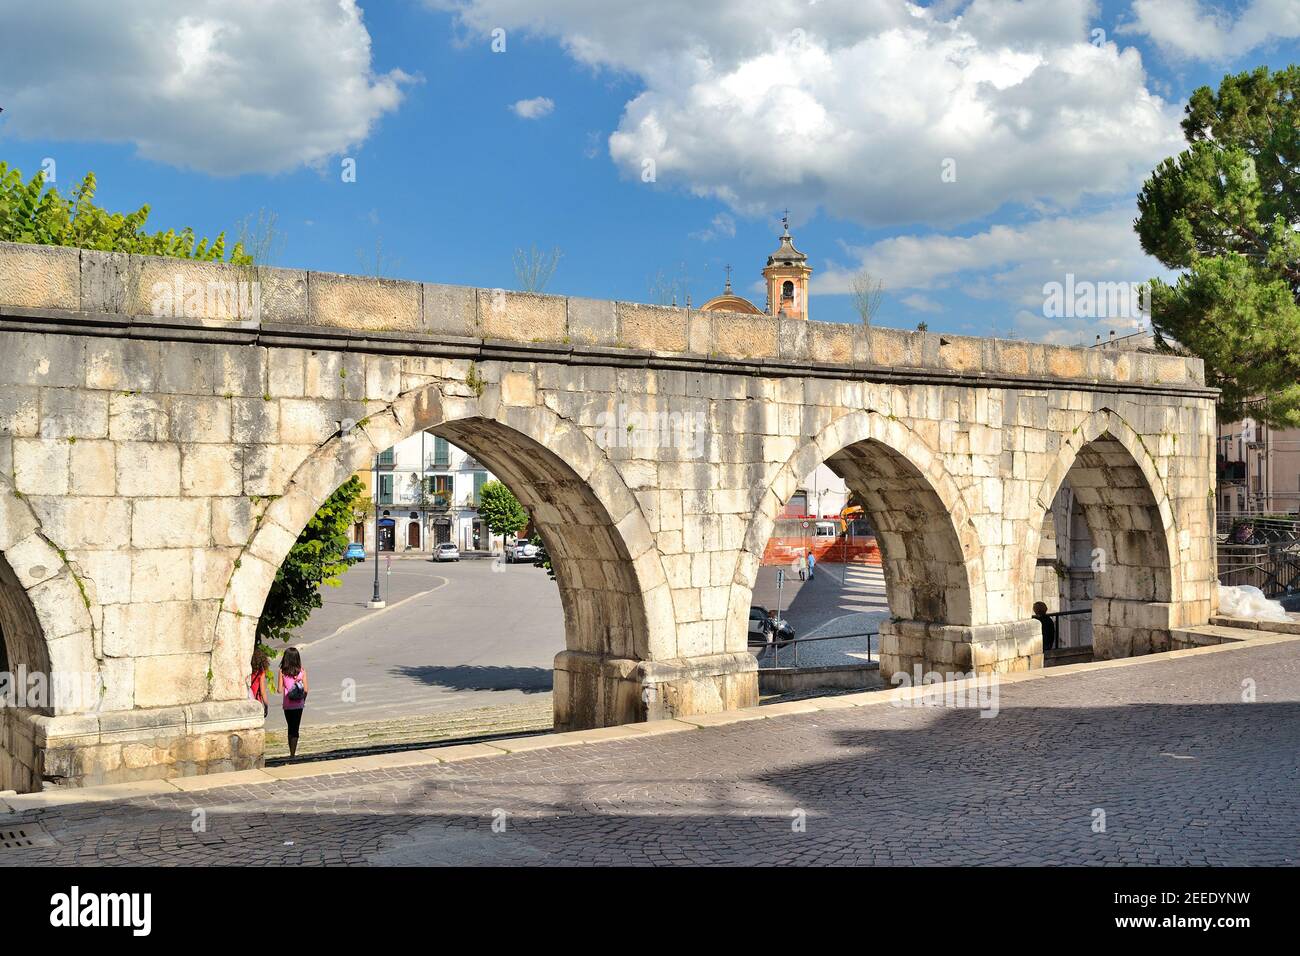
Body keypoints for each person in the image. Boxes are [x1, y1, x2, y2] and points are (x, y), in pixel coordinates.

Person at [279, 646, 309, 758]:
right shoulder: (302, 671)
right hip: (299, 704)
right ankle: (293, 754)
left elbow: (279, 689)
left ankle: (290, 753)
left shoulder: (282, 672)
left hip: (287, 704)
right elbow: (306, 690)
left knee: (290, 727)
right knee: (295, 728)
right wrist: (302, 700)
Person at [248, 648, 275, 719]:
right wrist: (266, 705)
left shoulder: (247, 671)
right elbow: (263, 691)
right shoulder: (261, 673)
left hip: (247, 699)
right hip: (256, 700)